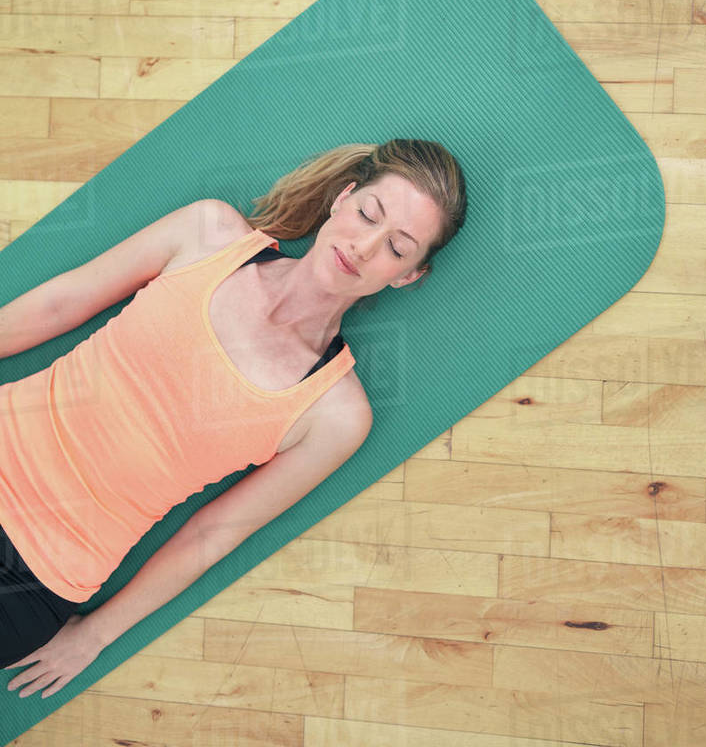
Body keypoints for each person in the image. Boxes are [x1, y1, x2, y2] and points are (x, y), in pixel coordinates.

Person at [0, 137, 467, 699]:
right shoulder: (209, 233)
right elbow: (62, 303)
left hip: (37, 578)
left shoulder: (336, 414)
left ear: (408, 276)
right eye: (369, 213)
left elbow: (211, 534)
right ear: (343, 197)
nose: (365, 246)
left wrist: (97, 635)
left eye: (397, 247)